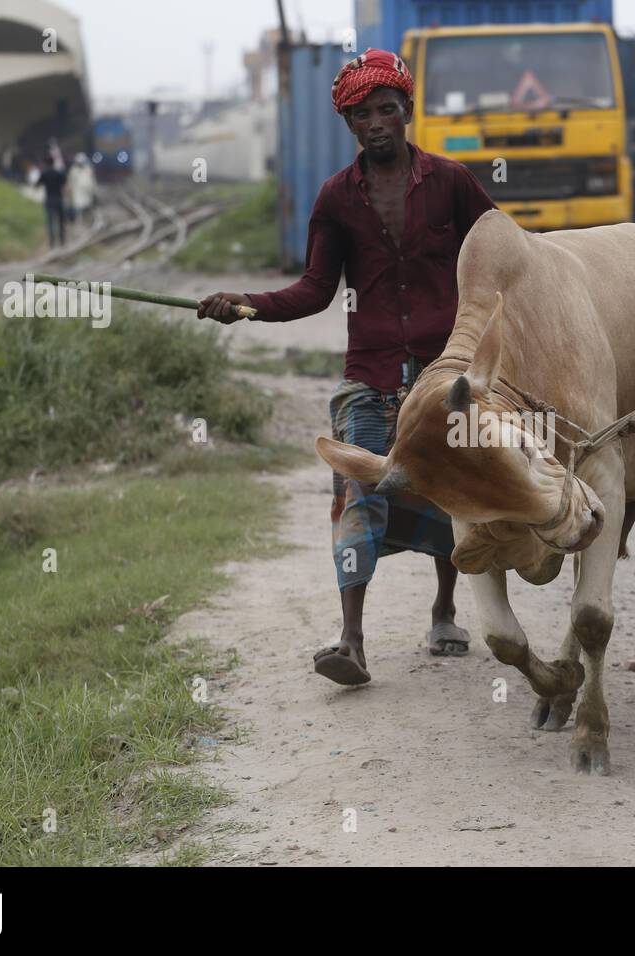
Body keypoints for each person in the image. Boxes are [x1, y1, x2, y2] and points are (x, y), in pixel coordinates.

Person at [199, 49, 498, 686]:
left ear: (408, 112)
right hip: (370, 375)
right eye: (362, 115)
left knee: (449, 491)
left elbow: (502, 254)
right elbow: (313, 289)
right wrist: (245, 306)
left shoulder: (450, 182)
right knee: (356, 489)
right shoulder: (337, 198)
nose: (376, 123)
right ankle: (353, 640)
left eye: (387, 109)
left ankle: (445, 608)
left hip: (446, 371)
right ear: (350, 126)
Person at [38, 151, 67, 247]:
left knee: (50, 222)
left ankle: (52, 243)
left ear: (46, 163)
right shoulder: (58, 173)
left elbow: (37, 184)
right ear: (54, 162)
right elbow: (65, 182)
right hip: (59, 198)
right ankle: (62, 241)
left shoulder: (44, 174)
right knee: (61, 221)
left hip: (49, 200)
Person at [66, 152, 96, 227]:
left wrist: (93, 191)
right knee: (78, 210)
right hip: (77, 193)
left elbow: (91, 182)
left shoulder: (88, 169)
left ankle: (88, 224)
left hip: (86, 193)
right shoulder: (73, 170)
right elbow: (70, 182)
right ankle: (79, 225)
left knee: (87, 209)